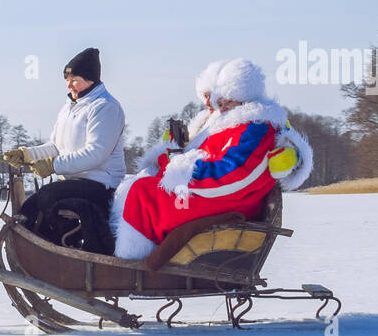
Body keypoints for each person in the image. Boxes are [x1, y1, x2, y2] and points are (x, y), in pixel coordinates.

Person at [112, 58, 295, 260]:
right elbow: (203, 156)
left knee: (142, 192)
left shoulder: (255, 127)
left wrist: (180, 170)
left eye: (229, 101)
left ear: (244, 98)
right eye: (221, 102)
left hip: (226, 201)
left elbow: (234, 174)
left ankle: (132, 259)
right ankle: (129, 254)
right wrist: (171, 159)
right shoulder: (236, 125)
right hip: (215, 196)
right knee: (136, 185)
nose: (223, 107)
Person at [2, 48, 126, 252]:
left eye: (74, 79)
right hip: (74, 181)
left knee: (47, 197)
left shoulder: (105, 107)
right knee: (32, 205)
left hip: (101, 184)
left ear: (90, 79)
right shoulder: (69, 107)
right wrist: (27, 154)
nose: (68, 84)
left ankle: (66, 250)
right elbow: (55, 147)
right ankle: (46, 252)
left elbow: (95, 153)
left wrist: (53, 166)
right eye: (67, 79)